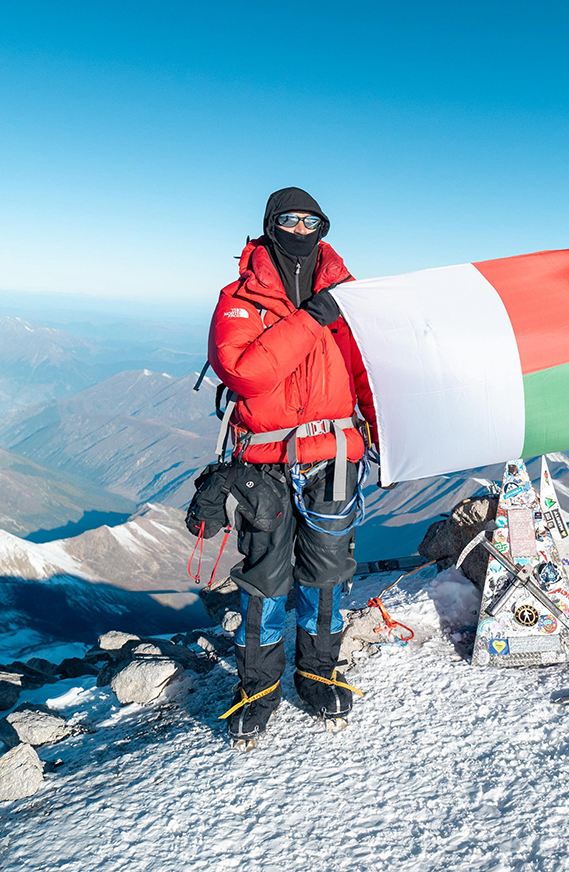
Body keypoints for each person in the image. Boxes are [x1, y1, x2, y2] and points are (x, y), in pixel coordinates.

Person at [208, 187, 377, 746]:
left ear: (323, 227)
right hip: (266, 461)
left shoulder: (349, 300)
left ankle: (317, 672)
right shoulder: (239, 299)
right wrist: (312, 317)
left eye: (312, 220)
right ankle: (257, 688)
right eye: (289, 219)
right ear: (269, 224)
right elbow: (247, 374)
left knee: (326, 575)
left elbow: (365, 372)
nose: (300, 228)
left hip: (334, 455)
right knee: (265, 576)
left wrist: (380, 430)